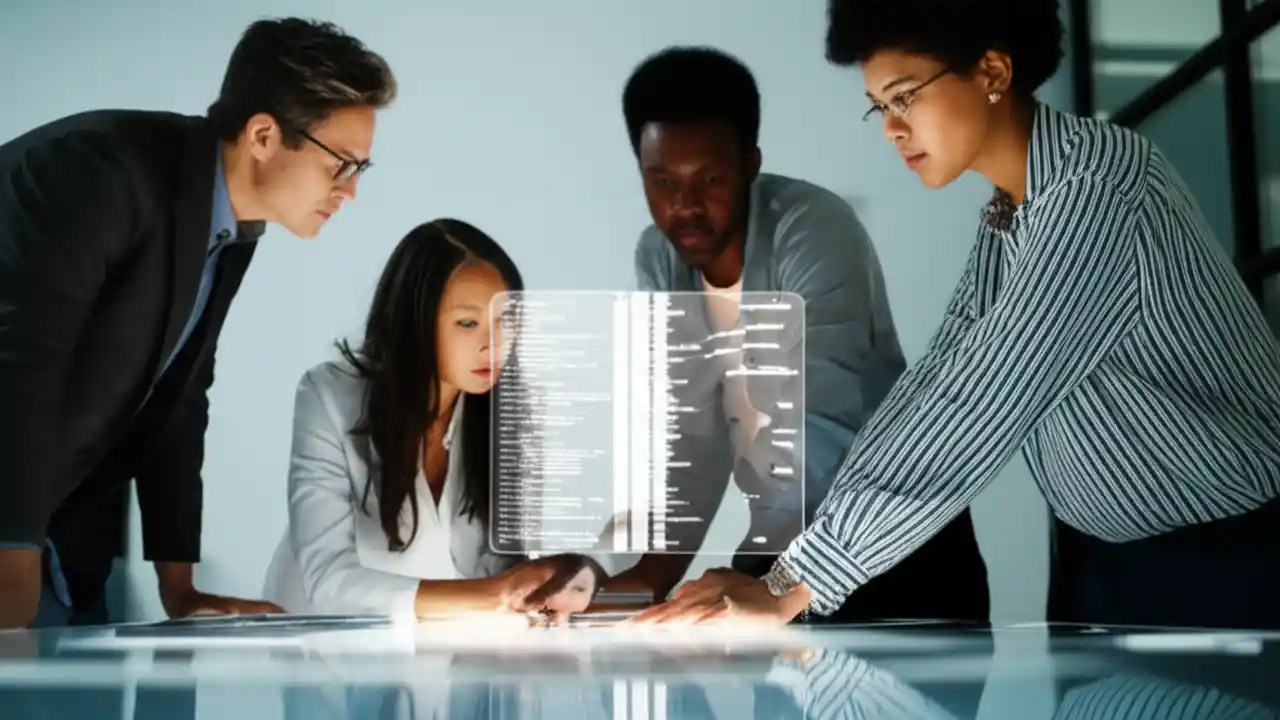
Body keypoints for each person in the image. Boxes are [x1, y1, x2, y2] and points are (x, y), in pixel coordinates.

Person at [632, 0, 1280, 629]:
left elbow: (982, 400)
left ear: (994, 73)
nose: (891, 127)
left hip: (1228, 561)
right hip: (1104, 566)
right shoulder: (1010, 213)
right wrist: (781, 574)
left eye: (906, 96)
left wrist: (788, 583)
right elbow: (934, 384)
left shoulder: (1098, 192)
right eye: (879, 106)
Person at [0, 17, 397, 629]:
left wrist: (179, 584)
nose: (348, 192)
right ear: (263, 135)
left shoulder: (232, 225)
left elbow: (181, 392)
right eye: (342, 164)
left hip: (58, 528)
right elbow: (23, 367)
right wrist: (12, 555)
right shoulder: (98, 172)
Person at [608, 46, 989, 622]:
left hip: (893, 543)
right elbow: (694, 431)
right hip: (788, 559)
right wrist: (649, 576)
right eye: (661, 181)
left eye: (710, 179)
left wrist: (765, 573)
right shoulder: (659, 257)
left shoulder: (811, 227)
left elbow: (812, 420)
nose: (684, 207)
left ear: (750, 163)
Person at [263, 219, 603, 622]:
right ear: (416, 321)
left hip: (429, 646)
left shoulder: (508, 413)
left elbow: (503, 569)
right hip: (315, 645)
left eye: (505, 321)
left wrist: (568, 575)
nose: (494, 344)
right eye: (468, 323)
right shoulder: (329, 396)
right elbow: (328, 582)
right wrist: (497, 593)